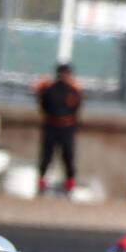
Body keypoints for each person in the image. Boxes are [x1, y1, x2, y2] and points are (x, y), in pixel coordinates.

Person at [35, 63, 82, 197]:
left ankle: (70, 184)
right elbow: (43, 104)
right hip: (51, 125)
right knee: (46, 155)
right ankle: (41, 182)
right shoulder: (49, 89)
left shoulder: (74, 90)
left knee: (68, 156)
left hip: (67, 127)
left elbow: (76, 108)